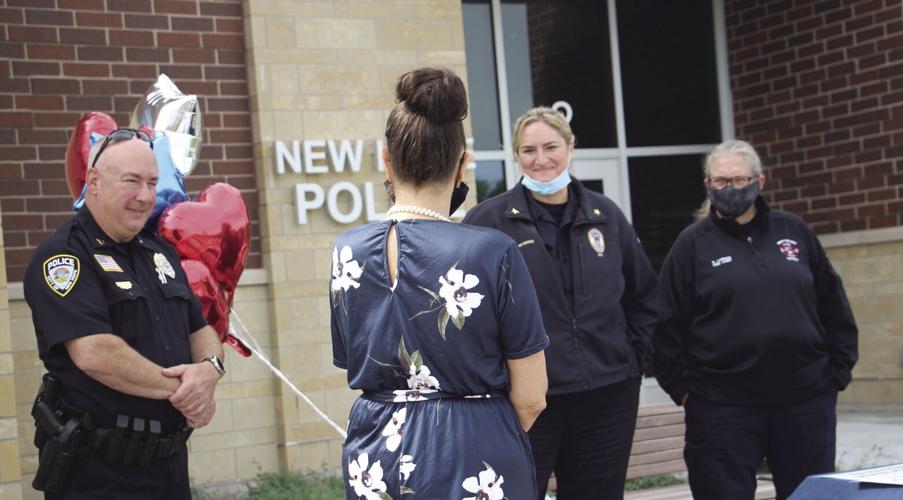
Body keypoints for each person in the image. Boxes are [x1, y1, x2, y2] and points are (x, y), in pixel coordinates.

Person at [330, 67, 549, 499]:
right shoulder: (493, 251)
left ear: (386, 159)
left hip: (375, 452)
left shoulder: (346, 249)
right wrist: (481, 430)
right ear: (462, 163)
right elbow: (532, 396)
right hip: (474, 454)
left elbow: (351, 358)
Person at [463, 107, 659, 499]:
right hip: (527, 402)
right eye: (528, 150)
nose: (541, 159)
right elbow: (469, 317)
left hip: (607, 397)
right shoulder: (489, 222)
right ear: (515, 156)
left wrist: (633, 360)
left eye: (551, 146)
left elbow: (644, 298)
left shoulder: (606, 216)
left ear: (571, 148)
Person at [24, 128, 225, 499]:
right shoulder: (64, 257)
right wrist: (186, 392)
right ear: (95, 182)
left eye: (152, 182)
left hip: (169, 468)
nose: (145, 196)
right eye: (131, 181)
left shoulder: (159, 253)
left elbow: (200, 327)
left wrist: (210, 370)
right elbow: (94, 352)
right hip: (100, 475)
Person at [653, 139, 858, 500]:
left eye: (737, 180)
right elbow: (665, 325)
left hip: (804, 401)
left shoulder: (793, 232)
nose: (728, 188)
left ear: (759, 182)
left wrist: (836, 373)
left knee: (811, 496)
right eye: (720, 181)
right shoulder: (692, 245)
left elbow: (833, 303)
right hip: (722, 408)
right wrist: (687, 392)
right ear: (708, 186)